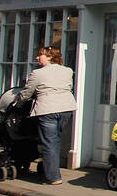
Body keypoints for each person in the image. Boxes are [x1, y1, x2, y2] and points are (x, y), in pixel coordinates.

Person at [14, 46, 76, 185]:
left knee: (49, 143)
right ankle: (50, 170)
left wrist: (18, 99)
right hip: (66, 108)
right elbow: (68, 86)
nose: (37, 57)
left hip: (48, 109)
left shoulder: (37, 73)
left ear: (49, 56)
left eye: (40, 55)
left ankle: (53, 177)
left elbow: (28, 92)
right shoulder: (68, 71)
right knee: (55, 140)